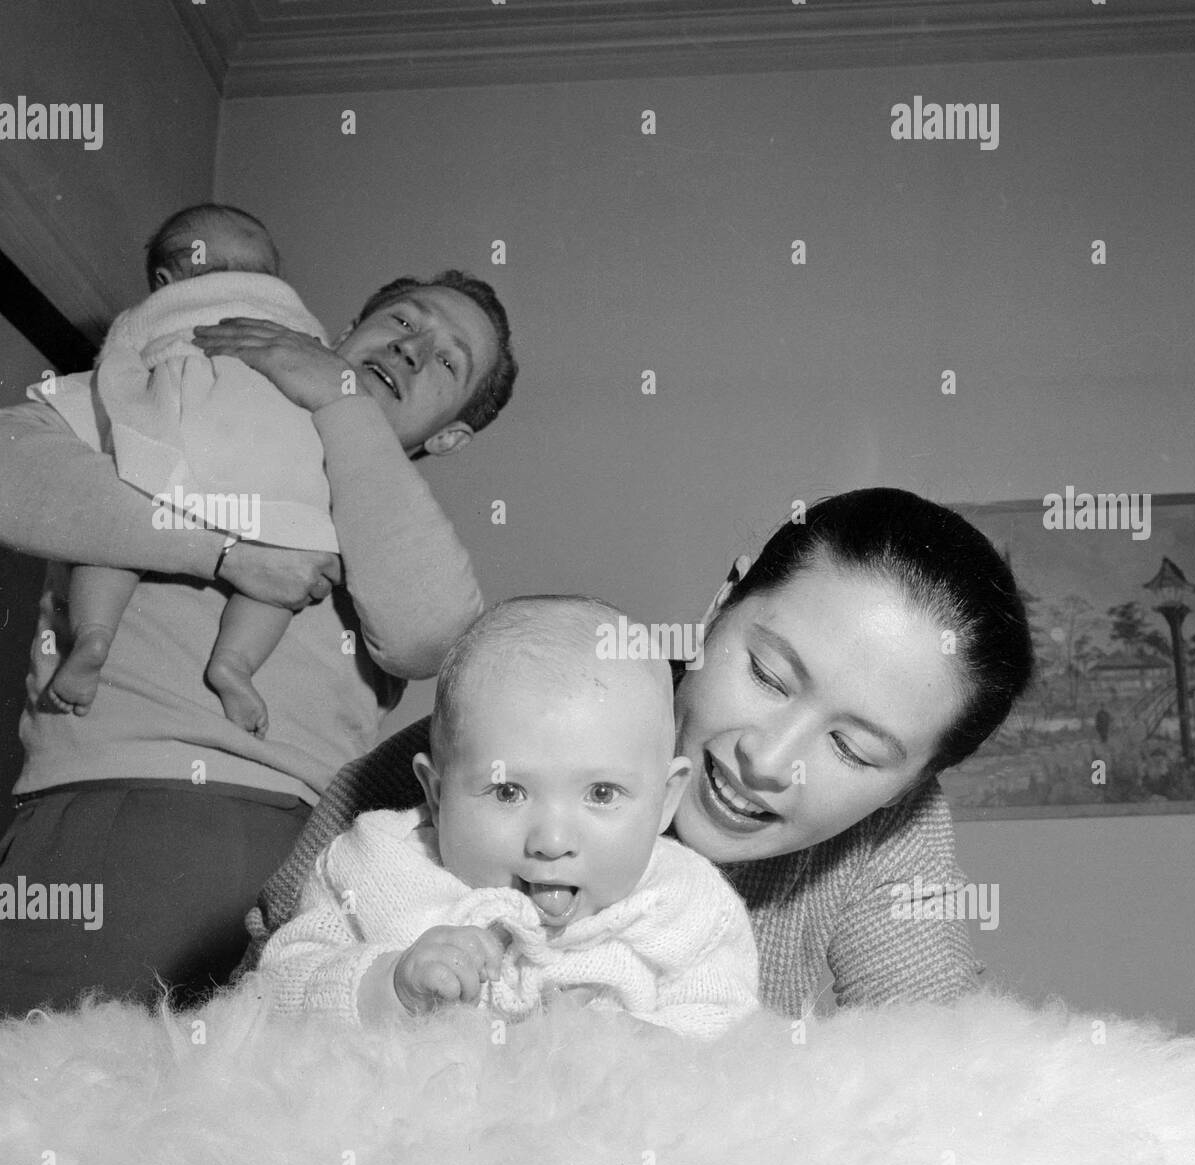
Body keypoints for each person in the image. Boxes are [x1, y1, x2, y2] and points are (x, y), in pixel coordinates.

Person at [245, 489, 1032, 1019]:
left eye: (854, 751)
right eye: (766, 674)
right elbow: (264, 983)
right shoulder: (520, 728)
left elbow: (937, 1058)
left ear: (910, 788)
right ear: (719, 604)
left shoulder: (896, 838)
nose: (769, 758)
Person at [0, 242, 519, 1013]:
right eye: (403, 320)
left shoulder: (393, 508)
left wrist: (343, 405)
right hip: (123, 807)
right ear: (344, 330)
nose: (413, 348)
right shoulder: (185, 389)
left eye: (448, 363)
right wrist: (224, 554)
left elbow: (431, 637)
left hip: (314, 863)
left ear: (448, 436)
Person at [260, 596, 759, 1041]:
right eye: (508, 791)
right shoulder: (373, 866)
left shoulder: (685, 903)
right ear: (437, 794)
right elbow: (274, 992)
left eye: (602, 793)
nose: (552, 840)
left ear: (665, 801)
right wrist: (387, 984)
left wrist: (650, 1048)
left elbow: (732, 1030)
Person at [39, 203, 339, 737]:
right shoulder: (300, 324)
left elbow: (117, 366)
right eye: (220, 271)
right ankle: (235, 664)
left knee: (114, 535)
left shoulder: (148, 314)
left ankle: (94, 636)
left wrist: (108, 421)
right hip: (271, 443)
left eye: (259, 276)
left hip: (181, 424)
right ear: (167, 281)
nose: (243, 284)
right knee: (296, 548)